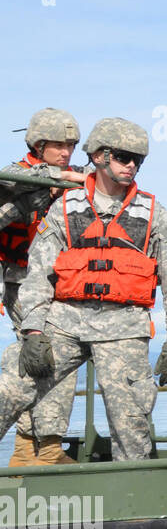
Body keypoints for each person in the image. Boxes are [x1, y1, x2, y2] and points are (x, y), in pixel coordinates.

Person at [0, 117, 167, 462]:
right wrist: (32, 330)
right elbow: (39, 272)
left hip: (125, 328)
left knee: (130, 422)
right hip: (63, 323)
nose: (131, 165)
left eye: (138, 159)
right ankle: (32, 456)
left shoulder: (154, 213)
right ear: (100, 157)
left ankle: (136, 501)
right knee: (12, 384)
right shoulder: (64, 207)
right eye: (123, 156)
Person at [0, 109, 88, 465]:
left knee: (43, 360)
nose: (66, 152)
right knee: (47, 355)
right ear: (38, 144)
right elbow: (19, 181)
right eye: (58, 145)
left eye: (71, 146)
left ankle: (28, 450)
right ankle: (46, 449)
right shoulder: (13, 177)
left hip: (59, 283)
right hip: (21, 281)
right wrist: (55, 181)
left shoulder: (74, 179)